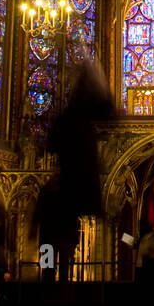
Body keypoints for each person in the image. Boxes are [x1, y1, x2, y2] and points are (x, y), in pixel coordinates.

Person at [47, 57, 114, 222]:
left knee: (66, 224)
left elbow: (51, 144)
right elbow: (108, 110)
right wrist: (100, 81)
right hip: (82, 183)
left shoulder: (66, 117)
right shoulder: (86, 116)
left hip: (69, 186)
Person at [31, 174, 79, 290]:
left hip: (51, 238)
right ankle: (59, 295)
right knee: (59, 271)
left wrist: (33, 230)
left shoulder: (47, 191)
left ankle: (51, 295)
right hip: (61, 238)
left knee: (51, 271)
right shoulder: (69, 192)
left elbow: (38, 213)